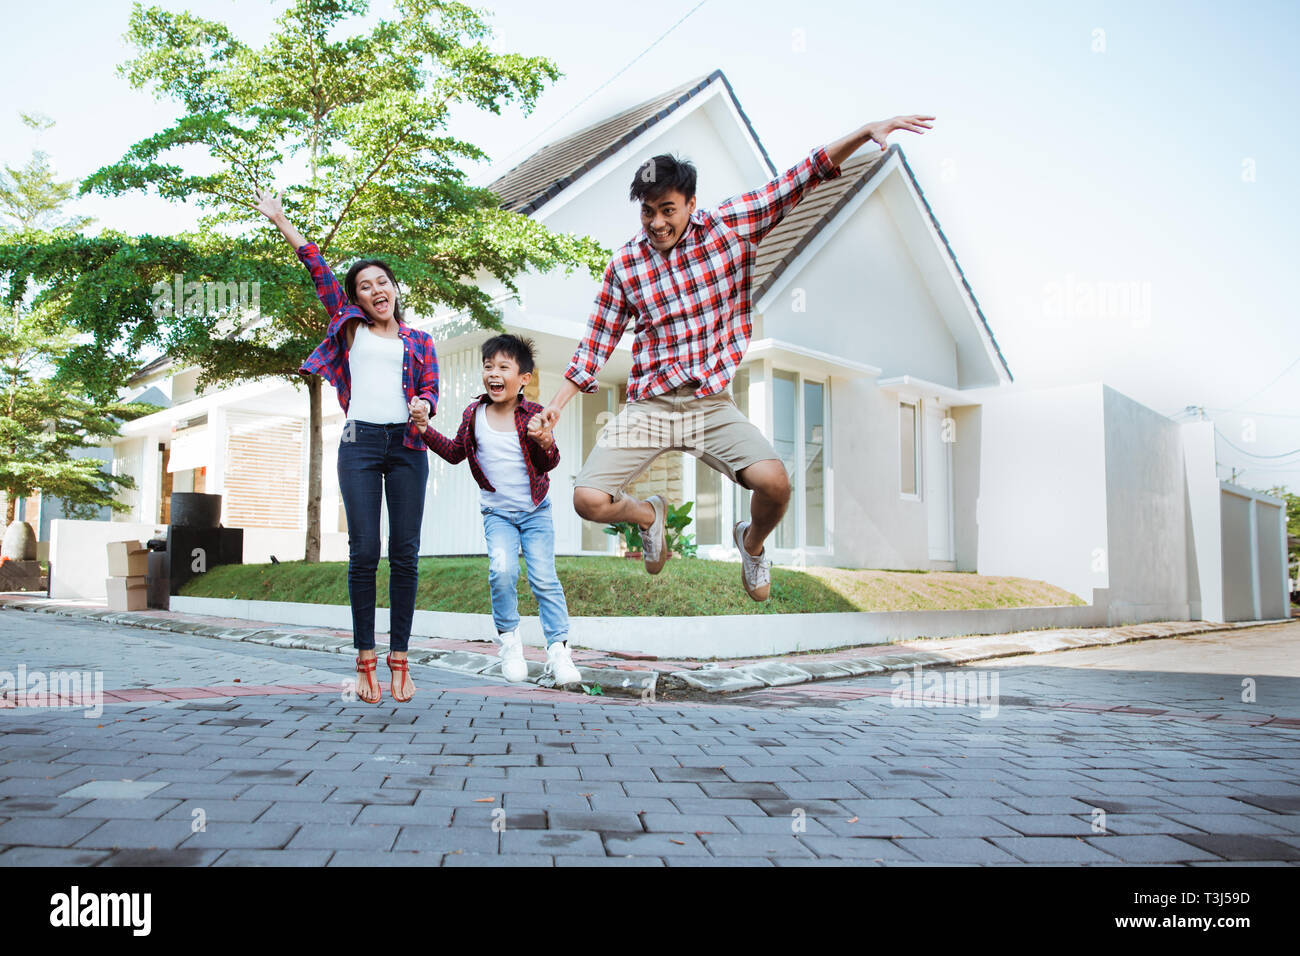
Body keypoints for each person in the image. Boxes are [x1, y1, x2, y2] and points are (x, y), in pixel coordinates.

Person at [538, 115, 934, 600]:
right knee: (588, 499)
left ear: (690, 203)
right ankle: (650, 515)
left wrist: (862, 132)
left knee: (776, 484)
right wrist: (558, 403)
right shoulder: (625, 264)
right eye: (647, 213)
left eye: (667, 209)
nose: (657, 223)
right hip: (650, 407)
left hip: (709, 402)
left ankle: (751, 542)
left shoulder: (730, 226)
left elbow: (798, 180)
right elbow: (596, 341)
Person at [255, 189, 437, 704]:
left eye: (383, 282)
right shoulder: (350, 325)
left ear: (395, 289)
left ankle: (400, 658)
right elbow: (317, 270)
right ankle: (364, 662)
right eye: (365, 285)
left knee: (405, 554)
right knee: (365, 551)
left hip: (407, 448)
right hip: (358, 443)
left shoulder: (420, 341)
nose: (376, 289)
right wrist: (283, 221)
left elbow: (430, 389)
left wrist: (424, 405)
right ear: (355, 298)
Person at [409, 334, 582, 686]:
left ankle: (559, 652)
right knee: (501, 573)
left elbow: (550, 462)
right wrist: (424, 429)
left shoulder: (534, 414)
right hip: (497, 514)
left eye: (504, 367)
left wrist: (546, 442)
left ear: (523, 379)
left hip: (535, 512)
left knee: (544, 579)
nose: (493, 373)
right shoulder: (474, 413)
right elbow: (457, 452)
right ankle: (510, 643)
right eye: (488, 367)